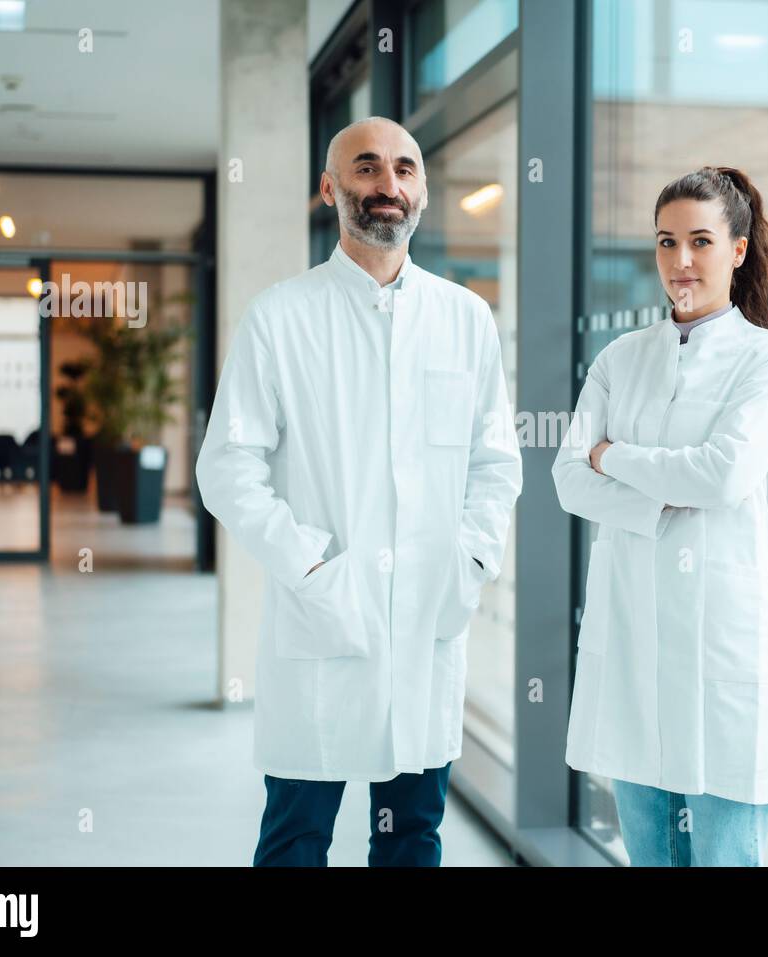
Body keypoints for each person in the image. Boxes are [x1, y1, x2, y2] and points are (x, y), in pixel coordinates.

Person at [195, 116, 522, 867]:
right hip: (323, 618)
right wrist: (313, 568)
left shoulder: (465, 318)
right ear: (330, 188)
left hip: (428, 620)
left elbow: (496, 462)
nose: (388, 185)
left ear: (423, 191)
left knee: (413, 838)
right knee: (295, 839)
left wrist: (468, 563)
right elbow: (228, 466)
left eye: (404, 169)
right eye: (367, 168)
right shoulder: (281, 316)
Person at [552, 165, 768, 866]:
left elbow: (723, 474)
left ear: (739, 248)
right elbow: (568, 481)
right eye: (666, 242)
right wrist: (658, 482)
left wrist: (612, 454)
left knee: (724, 856)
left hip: (722, 647)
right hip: (633, 641)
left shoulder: (766, 360)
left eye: (700, 241)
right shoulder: (619, 358)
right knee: (650, 855)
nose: (681, 261)